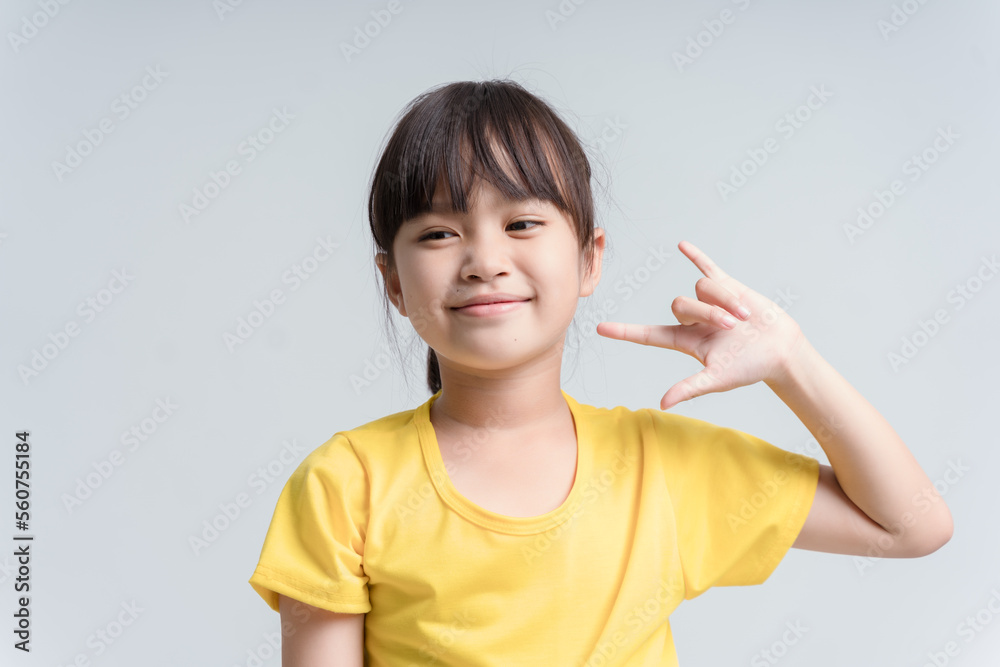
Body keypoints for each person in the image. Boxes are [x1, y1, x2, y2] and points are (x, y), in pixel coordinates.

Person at [248, 79, 953, 666]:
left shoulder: (662, 464)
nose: (484, 259)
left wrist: (791, 362)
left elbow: (912, 526)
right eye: (438, 232)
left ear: (590, 258)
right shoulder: (346, 483)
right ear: (393, 283)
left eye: (522, 223)